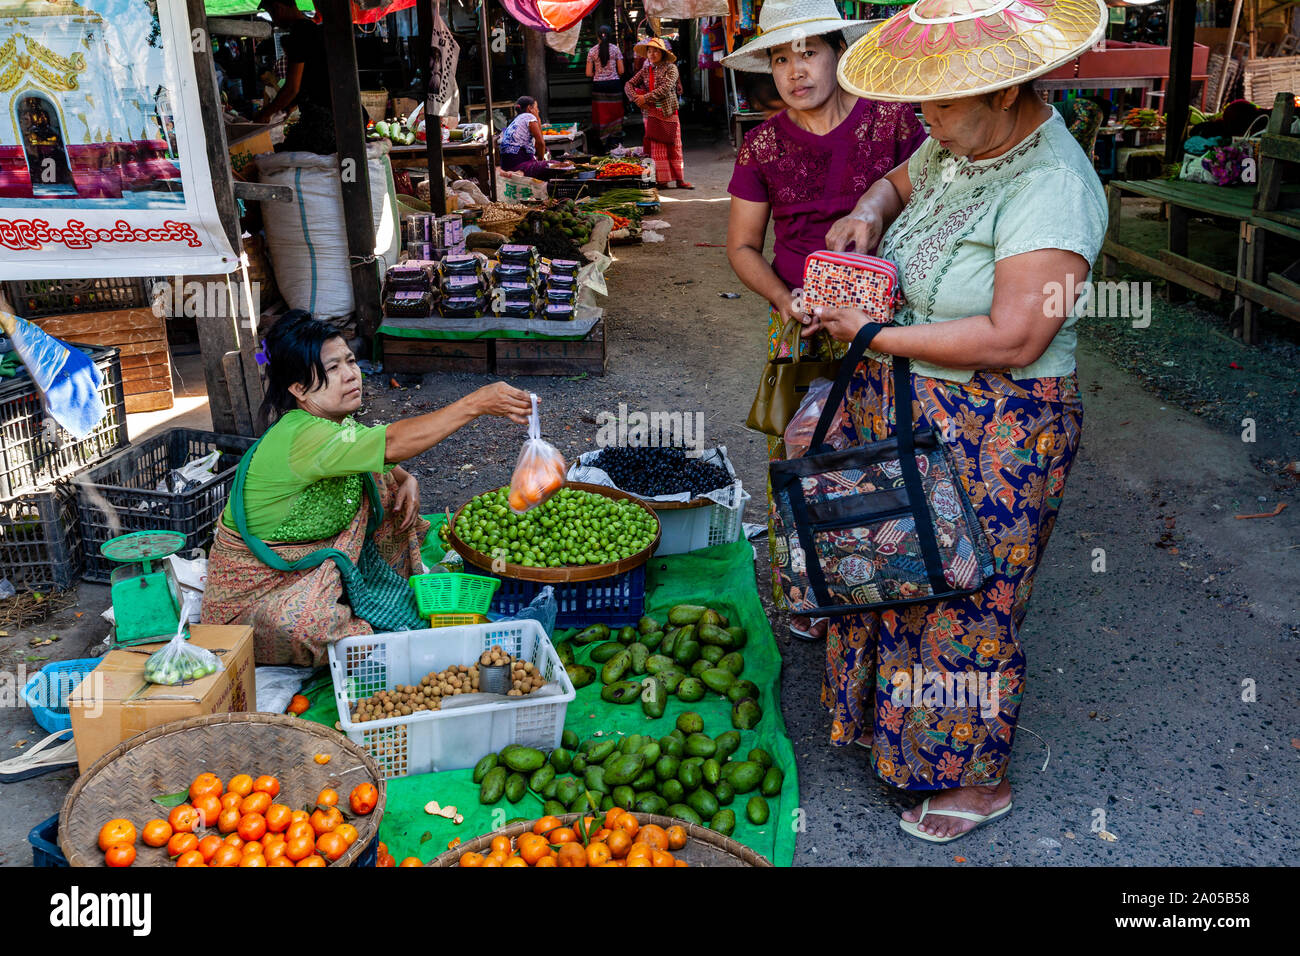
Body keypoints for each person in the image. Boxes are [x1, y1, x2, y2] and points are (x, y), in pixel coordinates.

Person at [794, 0, 1109, 842]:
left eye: (937, 104)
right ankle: (892, 737)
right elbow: (902, 178)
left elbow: (1018, 334)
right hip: (915, 399)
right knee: (901, 574)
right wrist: (868, 211)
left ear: (1005, 91)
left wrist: (870, 334)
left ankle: (976, 779)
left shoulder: (1054, 189)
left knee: (968, 598)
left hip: (999, 428)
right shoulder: (958, 142)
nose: (920, 120)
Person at [722, 0, 926, 642]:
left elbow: (932, 192)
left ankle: (895, 572)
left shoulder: (891, 122)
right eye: (780, 58)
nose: (794, 70)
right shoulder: (761, 144)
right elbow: (742, 247)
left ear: (840, 52)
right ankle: (811, 587)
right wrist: (785, 301)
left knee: (893, 444)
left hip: (893, 317)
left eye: (808, 51)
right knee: (803, 449)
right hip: (803, 321)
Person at [201, 312, 532, 666]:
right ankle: (358, 621)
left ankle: (372, 591)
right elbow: (390, 443)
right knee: (306, 627)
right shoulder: (301, 434)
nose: (351, 375)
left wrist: (409, 480)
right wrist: (475, 403)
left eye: (351, 361)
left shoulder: (330, 424)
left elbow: (381, 457)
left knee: (378, 479)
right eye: (332, 369)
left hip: (316, 562)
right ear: (298, 389)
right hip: (262, 586)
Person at [255, 0, 352, 154]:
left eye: (272, 14)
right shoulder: (312, 29)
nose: (274, 21)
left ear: (279, 8)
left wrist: (266, 113)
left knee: (279, 153)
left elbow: (292, 88)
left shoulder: (299, 33)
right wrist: (286, 109)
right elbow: (308, 82)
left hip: (326, 121)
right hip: (343, 115)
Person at [625, 37, 692, 189]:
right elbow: (628, 84)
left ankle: (679, 179)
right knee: (656, 147)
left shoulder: (672, 68)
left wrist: (645, 97)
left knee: (674, 145)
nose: (652, 54)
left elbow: (665, 89)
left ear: (662, 53)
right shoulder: (645, 70)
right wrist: (636, 98)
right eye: (649, 51)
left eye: (656, 51)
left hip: (669, 112)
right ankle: (662, 180)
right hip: (651, 113)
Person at [499, 96, 573, 180]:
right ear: (530, 108)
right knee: (559, 166)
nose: (538, 110)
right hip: (518, 167)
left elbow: (540, 144)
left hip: (507, 165)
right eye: (536, 107)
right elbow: (540, 143)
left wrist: (538, 121)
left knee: (546, 151)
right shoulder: (529, 117)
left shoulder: (516, 119)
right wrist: (541, 162)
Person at [587, 25, 626, 151]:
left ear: (597, 36)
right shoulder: (615, 50)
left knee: (601, 114)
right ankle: (614, 142)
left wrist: (598, 75)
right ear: (610, 36)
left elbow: (588, 73)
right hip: (614, 85)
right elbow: (621, 70)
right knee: (615, 113)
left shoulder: (592, 51)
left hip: (599, 86)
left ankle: (602, 143)